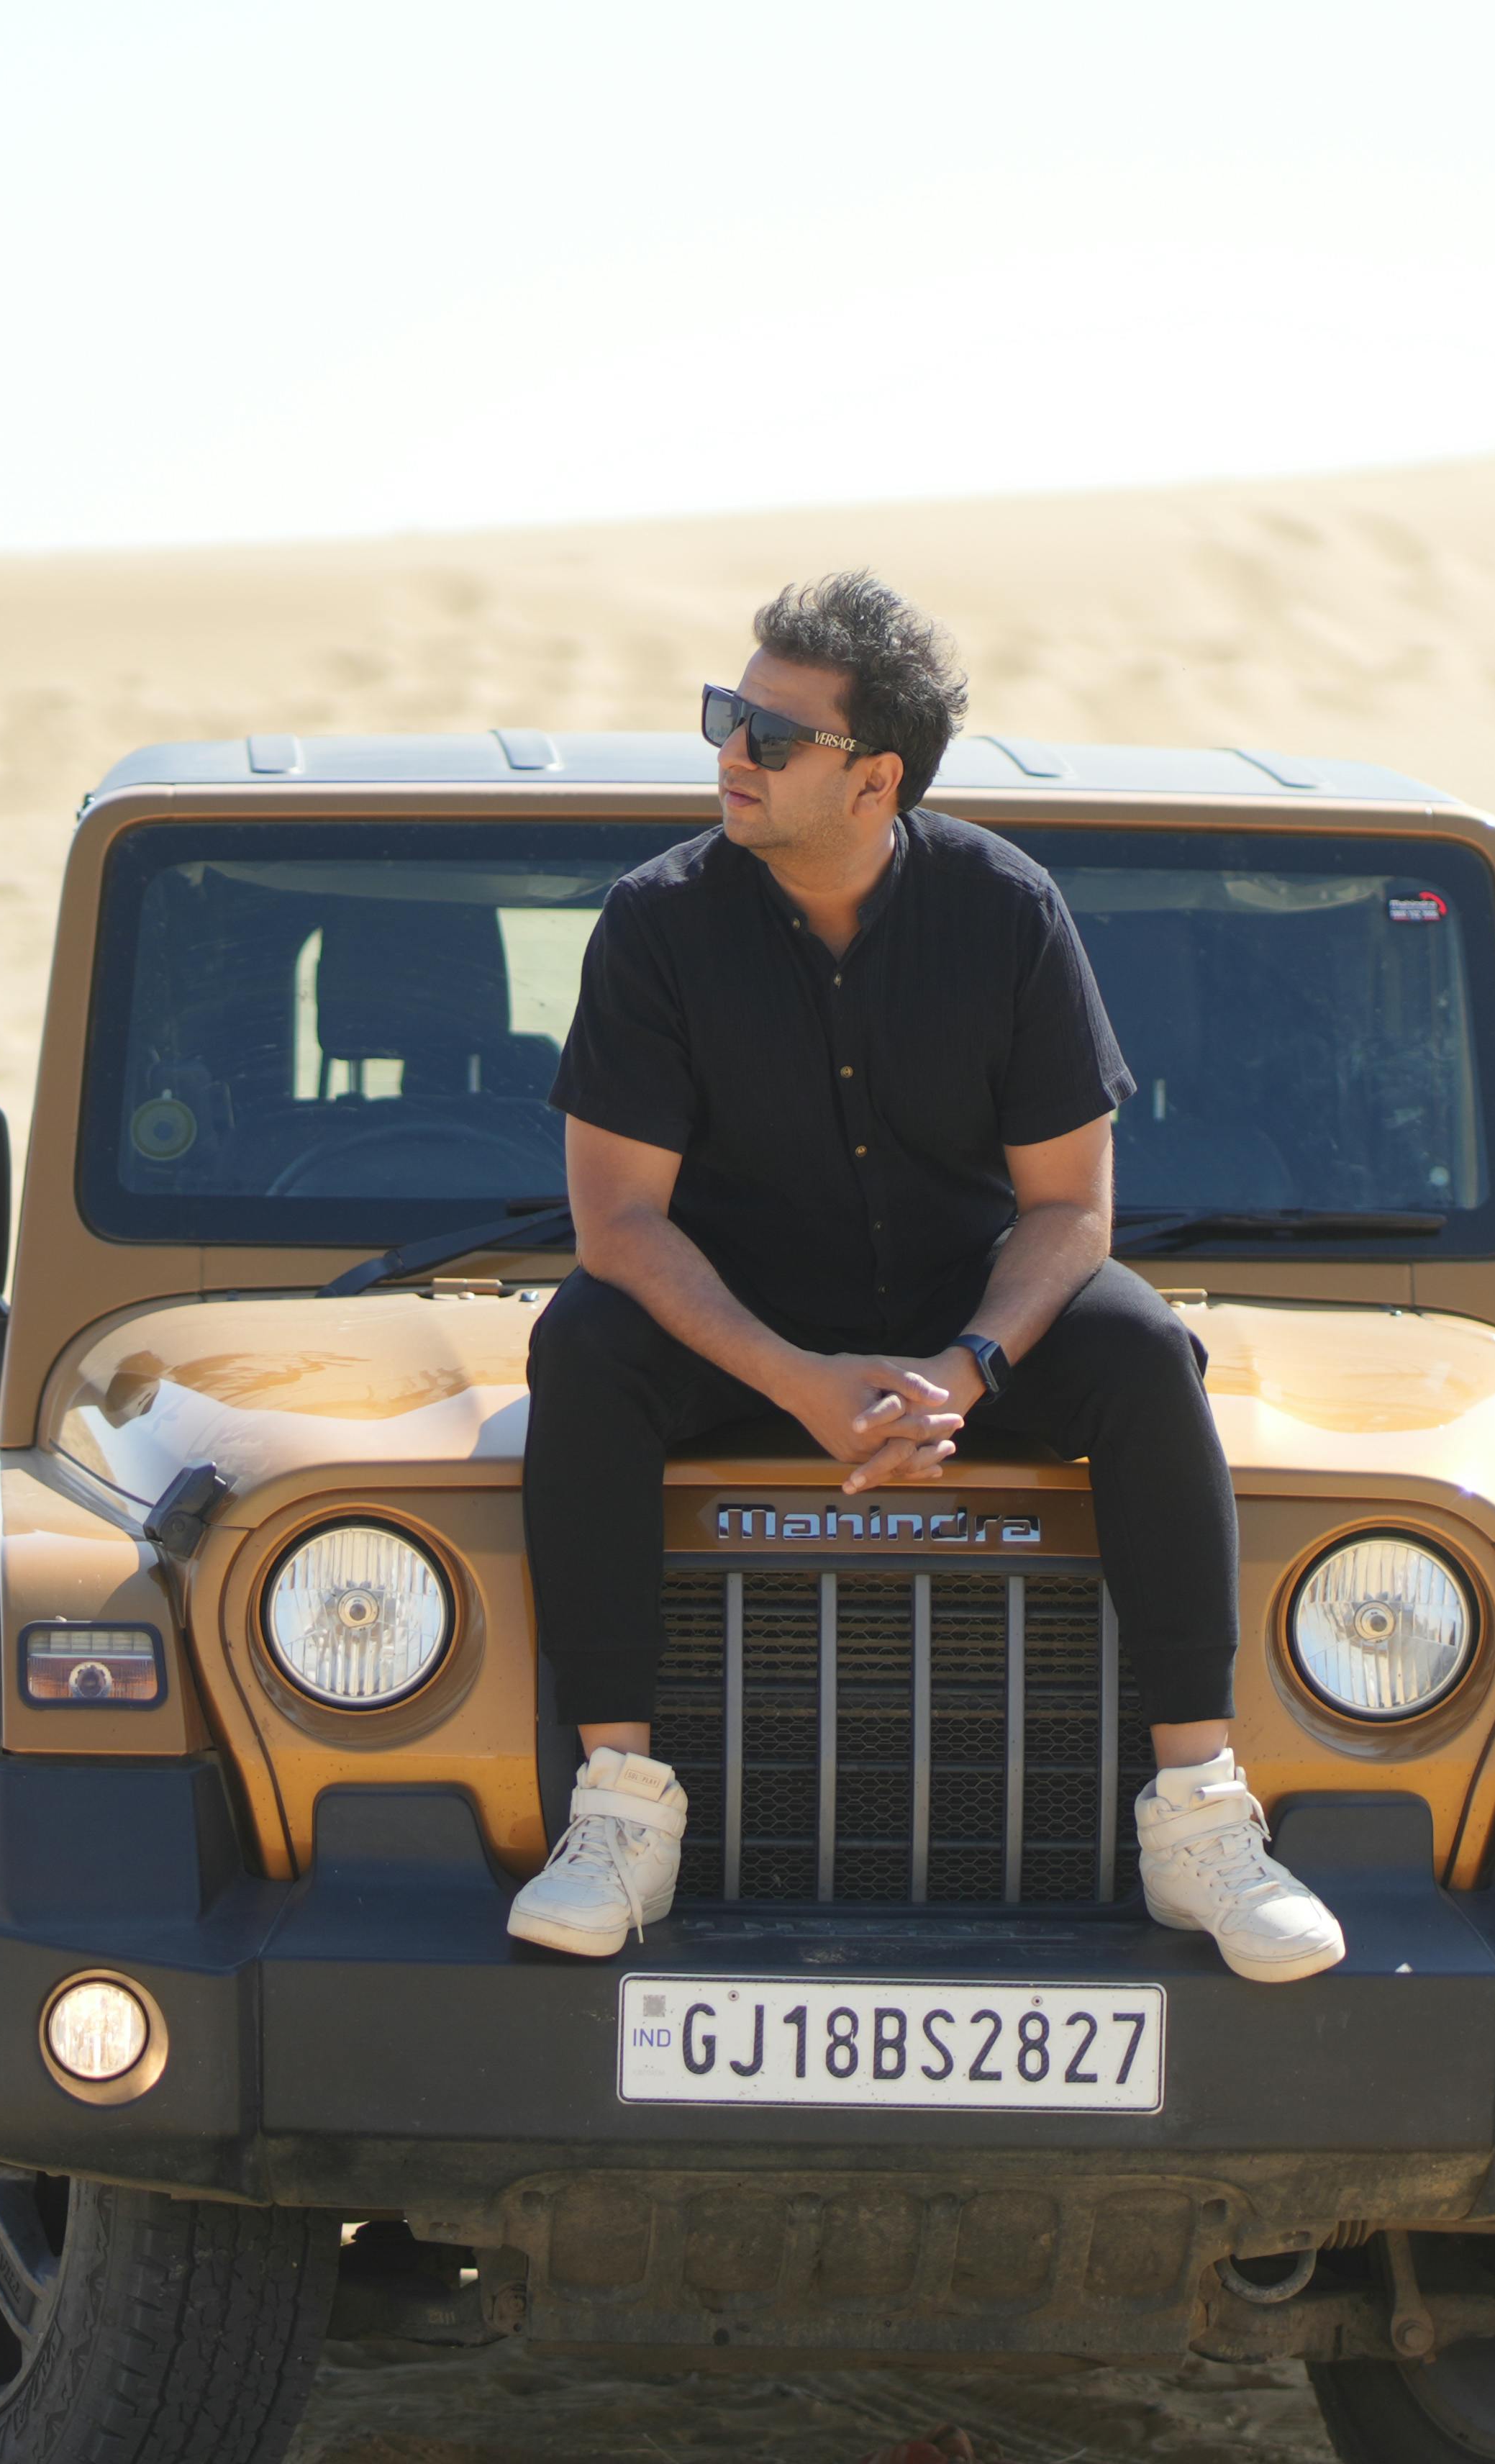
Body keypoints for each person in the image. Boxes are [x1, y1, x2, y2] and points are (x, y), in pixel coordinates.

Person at [503, 572, 1343, 1983]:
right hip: (741, 1327)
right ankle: (618, 1816)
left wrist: (970, 1369)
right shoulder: (657, 923)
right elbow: (621, 1226)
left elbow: (1072, 1209)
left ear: (875, 777)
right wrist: (798, 1381)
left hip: (968, 1320)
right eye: (724, 716)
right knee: (583, 1343)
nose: (728, 754)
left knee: (1145, 1352)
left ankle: (1202, 1820)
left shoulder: (1004, 910)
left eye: (769, 736)